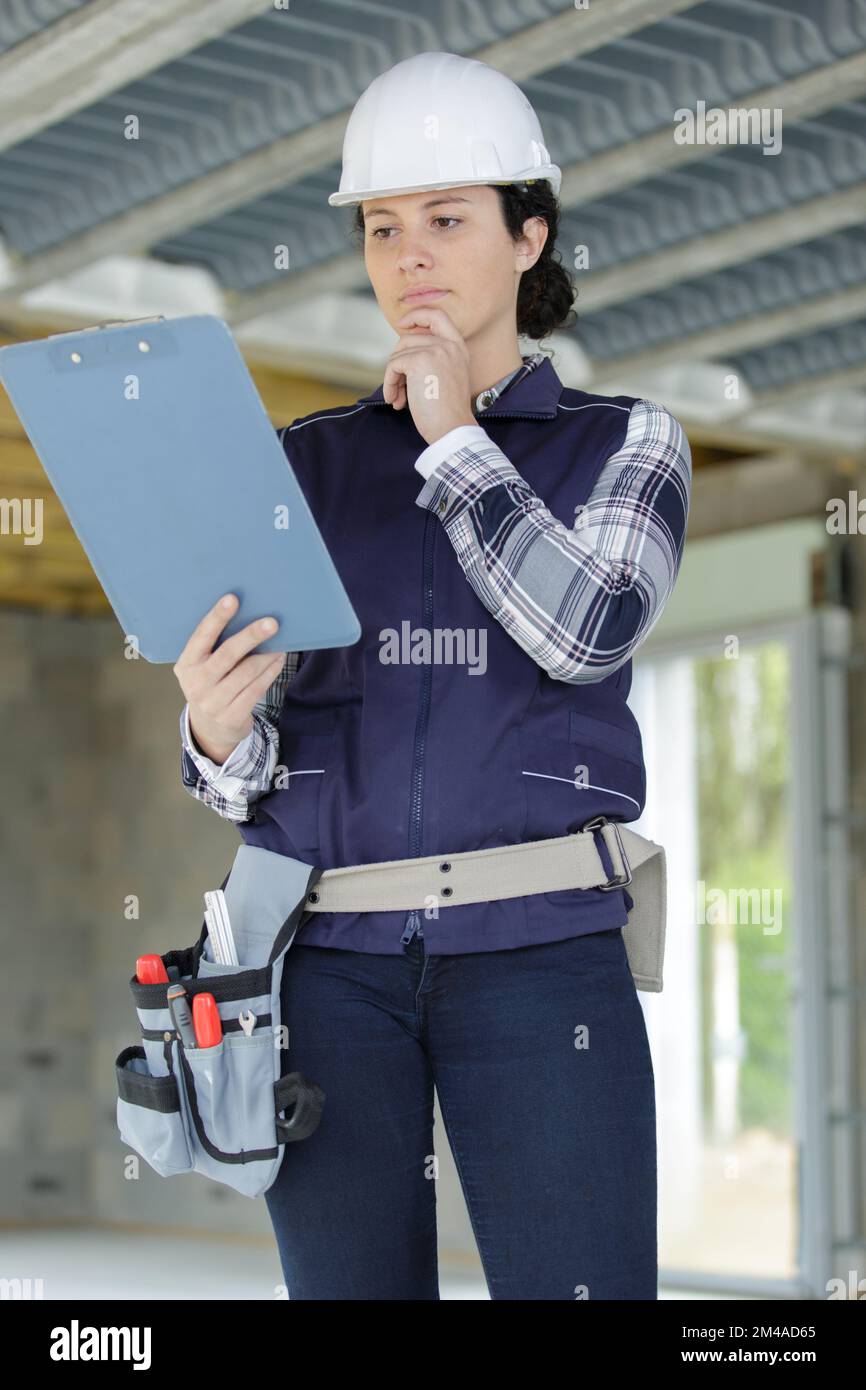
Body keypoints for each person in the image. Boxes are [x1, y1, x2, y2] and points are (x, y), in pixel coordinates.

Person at [172, 51, 691, 1300]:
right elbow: (253, 779)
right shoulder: (302, 466)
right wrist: (210, 730)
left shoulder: (625, 443)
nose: (408, 255)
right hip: (328, 966)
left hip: (542, 954)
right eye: (383, 226)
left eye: (446, 220)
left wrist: (452, 436)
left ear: (529, 235)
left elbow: (587, 627)